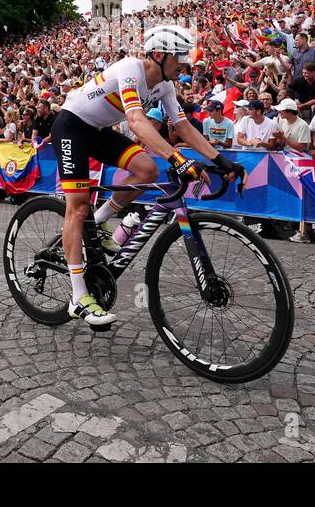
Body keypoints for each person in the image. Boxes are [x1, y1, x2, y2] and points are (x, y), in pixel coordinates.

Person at [52, 25, 239, 327]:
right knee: (78, 206)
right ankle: (78, 297)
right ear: (159, 54)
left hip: (98, 132)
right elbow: (136, 121)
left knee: (147, 171)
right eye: (180, 57)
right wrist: (176, 158)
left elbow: (183, 126)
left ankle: (98, 225)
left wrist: (222, 160)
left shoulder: (164, 86)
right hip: (72, 126)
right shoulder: (130, 68)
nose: (186, 65)